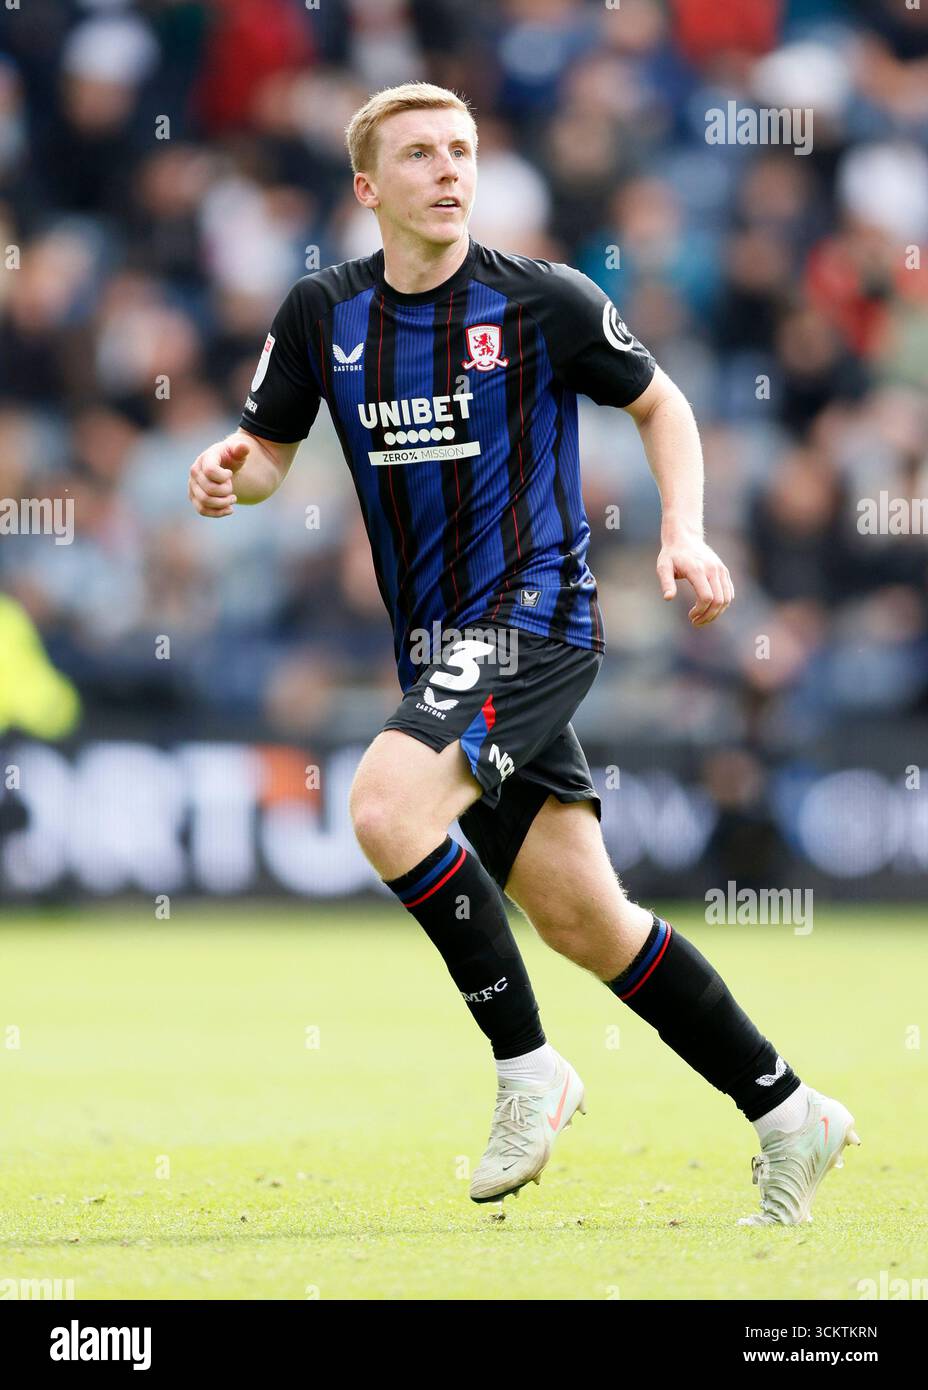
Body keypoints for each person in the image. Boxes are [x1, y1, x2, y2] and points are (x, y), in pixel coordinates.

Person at [188, 82, 859, 1224]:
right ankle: (792, 1113)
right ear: (367, 187)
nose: (448, 170)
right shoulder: (321, 315)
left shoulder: (539, 299)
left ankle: (526, 1068)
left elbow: (663, 405)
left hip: (536, 618)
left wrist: (686, 533)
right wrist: (226, 473)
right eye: (418, 155)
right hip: (435, 650)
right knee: (585, 918)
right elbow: (267, 456)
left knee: (386, 807)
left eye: (462, 150)